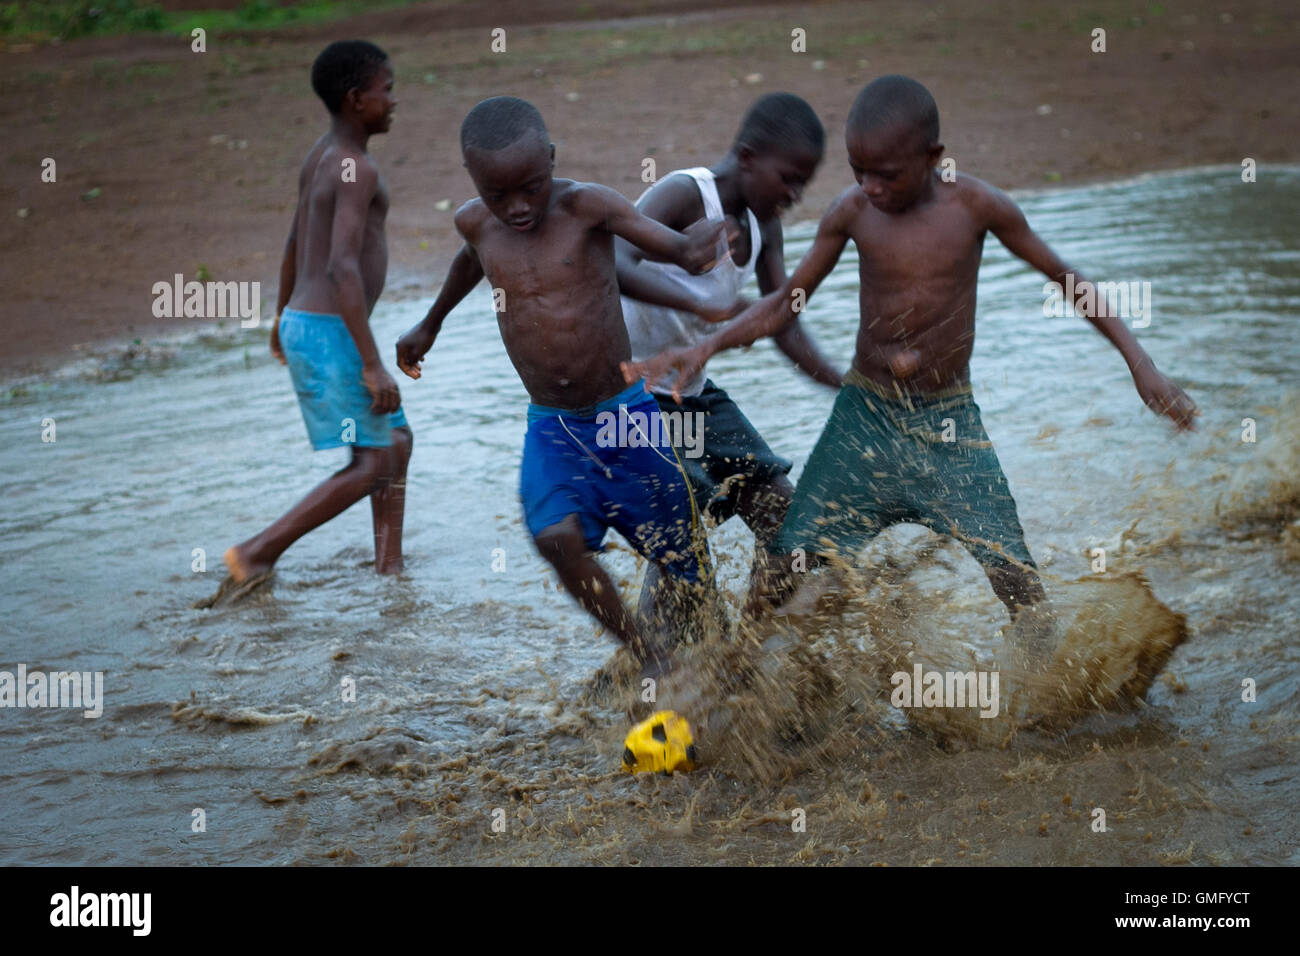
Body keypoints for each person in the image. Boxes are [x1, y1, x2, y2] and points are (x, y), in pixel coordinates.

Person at [623, 75, 1198, 624]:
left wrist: (1141, 365)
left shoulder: (978, 208)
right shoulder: (851, 212)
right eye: (858, 172)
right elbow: (785, 306)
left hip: (949, 419)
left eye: (887, 175)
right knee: (792, 555)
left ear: (932, 156)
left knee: (1011, 568)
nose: (870, 187)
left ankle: (1046, 681)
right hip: (865, 414)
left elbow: (1066, 278)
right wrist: (710, 346)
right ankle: (744, 668)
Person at [395, 96, 726, 674]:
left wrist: (695, 250)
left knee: (679, 554)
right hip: (553, 423)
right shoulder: (475, 221)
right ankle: (648, 656)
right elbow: (471, 259)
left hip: (625, 414)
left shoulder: (587, 206)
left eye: (532, 186)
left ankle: (722, 659)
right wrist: (430, 323)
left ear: (551, 159)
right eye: (499, 196)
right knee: (554, 539)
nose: (518, 208)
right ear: (473, 182)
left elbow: (665, 244)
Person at [615, 92, 842, 633]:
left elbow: (782, 322)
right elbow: (612, 259)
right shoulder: (686, 193)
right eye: (788, 178)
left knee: (788, 525)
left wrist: (846, 384)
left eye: (804, 185)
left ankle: (747, 655)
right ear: (747, 155)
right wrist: (698, 301)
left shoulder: (765, 228)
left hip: (691, 394)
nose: (794, 194)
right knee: (683, 536)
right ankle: (653, 672)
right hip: (630, 396)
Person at [220, 40, 412, 595]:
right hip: (333, 333)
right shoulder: (358, 168)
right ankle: (256, 552)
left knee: (396, 444)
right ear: (357, 99)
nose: (394, 101)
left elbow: (293, 241)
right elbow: (341, 267)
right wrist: (373, 365)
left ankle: (390, 570)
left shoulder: (322, 154)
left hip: (312, 325)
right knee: (374, 461)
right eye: (387, 90)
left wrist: (281, 318)